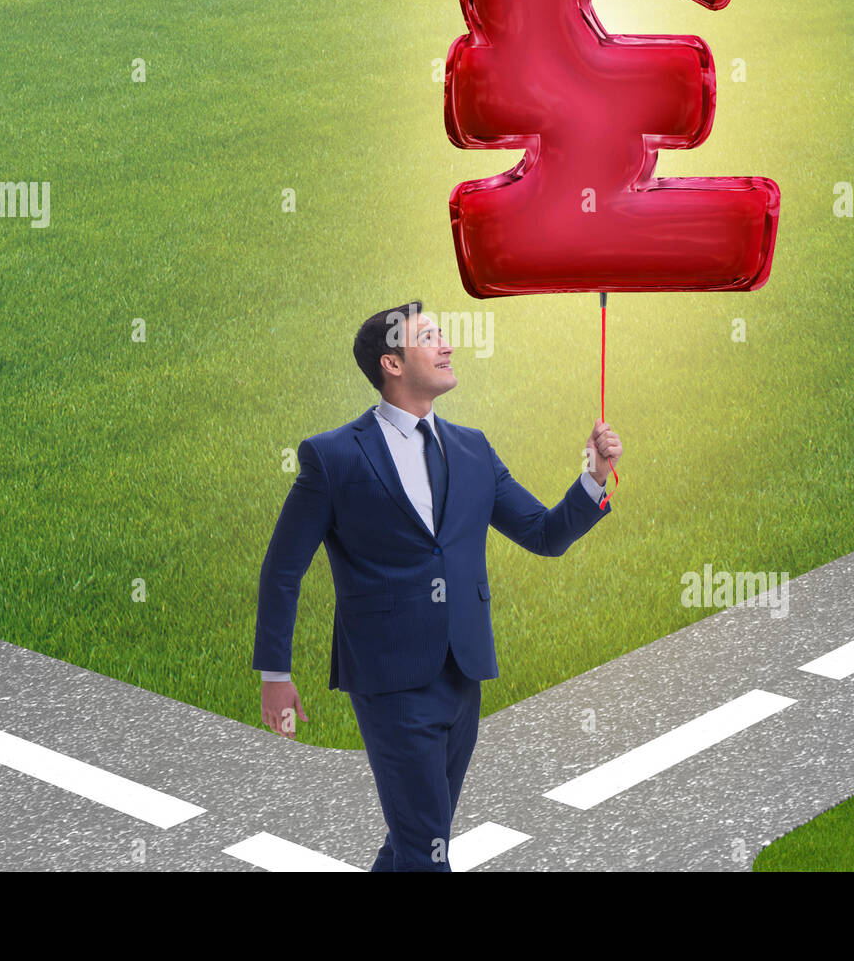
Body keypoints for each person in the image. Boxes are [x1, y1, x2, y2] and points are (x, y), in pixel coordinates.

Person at [252, 299, 621, 871]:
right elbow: (282, 569)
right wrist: (276, 675)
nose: (448, 345)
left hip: (463, 672)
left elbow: (544, 533)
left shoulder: (473, 447)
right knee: (427, 846)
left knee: (417, 839)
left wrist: (593, 477)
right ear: (392, 364)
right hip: (390, 681)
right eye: (429, 337)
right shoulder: (331, 458)